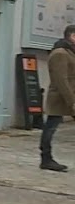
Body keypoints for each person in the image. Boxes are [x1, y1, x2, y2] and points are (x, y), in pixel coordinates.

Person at [40, 24, 75, 172]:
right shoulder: (60, 53)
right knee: (50, 127)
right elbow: (61, 80)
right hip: (61, 98)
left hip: (69, 97)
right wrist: (72, 101)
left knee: (51, 126)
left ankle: (46, 158)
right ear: (72, 36)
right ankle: (46, 158)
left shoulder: (70, 52)